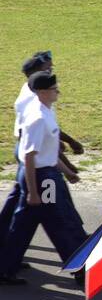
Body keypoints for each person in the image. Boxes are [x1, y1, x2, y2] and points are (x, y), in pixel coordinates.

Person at [0, 71, 89, 285]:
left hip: (45, 174)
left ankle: (5, 268)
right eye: (53, 88)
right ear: (41, 92)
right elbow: (30, 157)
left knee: (23, 225)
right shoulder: (38, 118)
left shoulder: (46, 112)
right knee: (56, 220)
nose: (57, 91)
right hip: (41, 178)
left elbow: (45, 153)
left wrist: (67, 173)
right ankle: (78, 267)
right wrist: (32, 191)